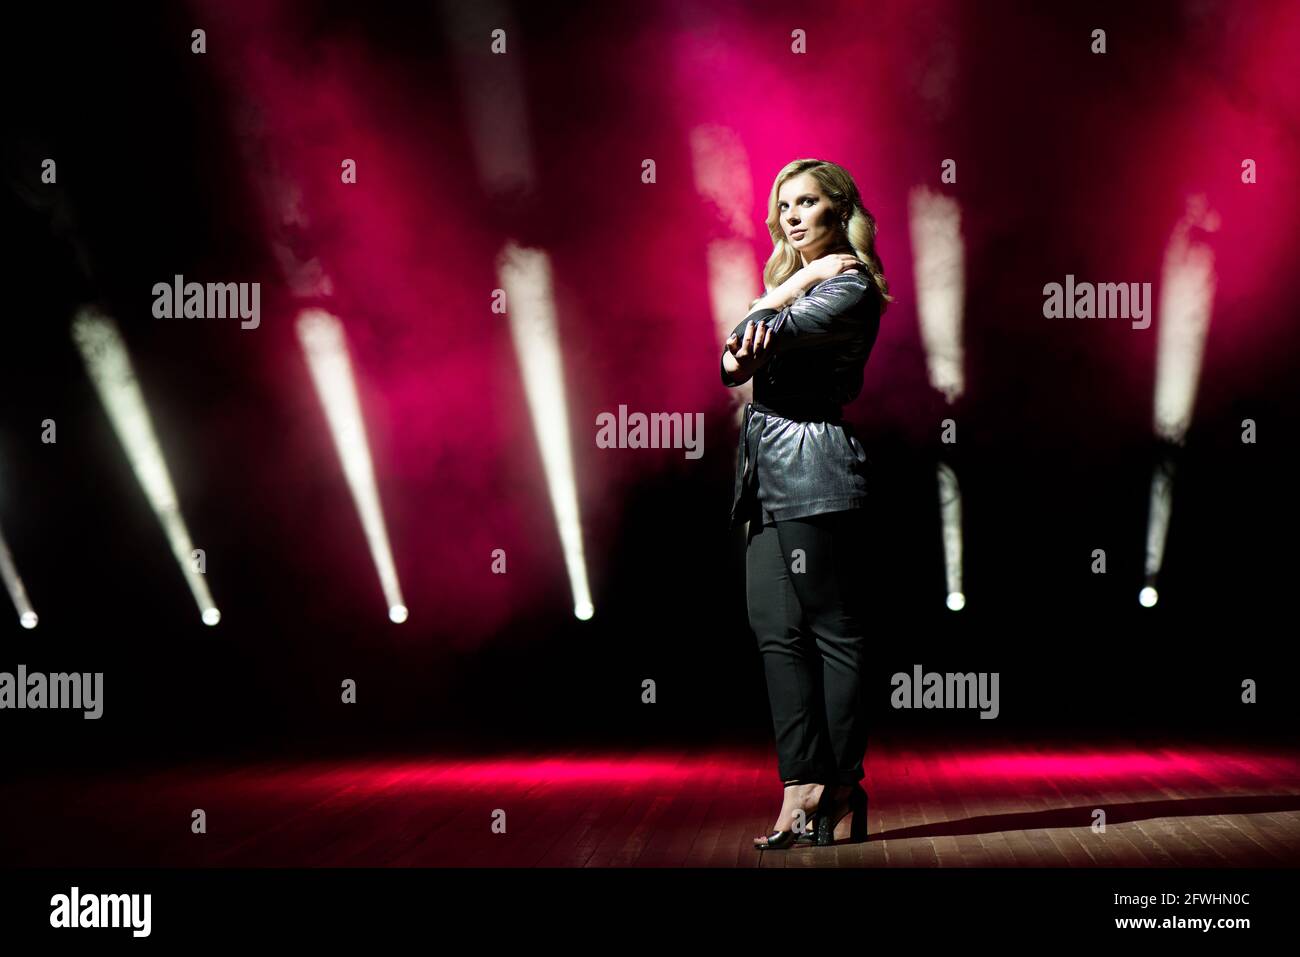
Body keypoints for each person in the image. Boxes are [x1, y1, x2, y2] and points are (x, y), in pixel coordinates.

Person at [720, 158, 893, 849]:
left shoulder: (848, 286)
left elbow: (758, 338)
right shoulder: (804, 285)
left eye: (808, 202)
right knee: (773, 630)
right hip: (765, 472)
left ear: (838, 209)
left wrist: (799, 280)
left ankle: (843, 784)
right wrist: (789, 287)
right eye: (783, 205)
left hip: (815, 468)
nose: (791, 216)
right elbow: (733, 358)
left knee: (833, 631)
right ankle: (801, 785)